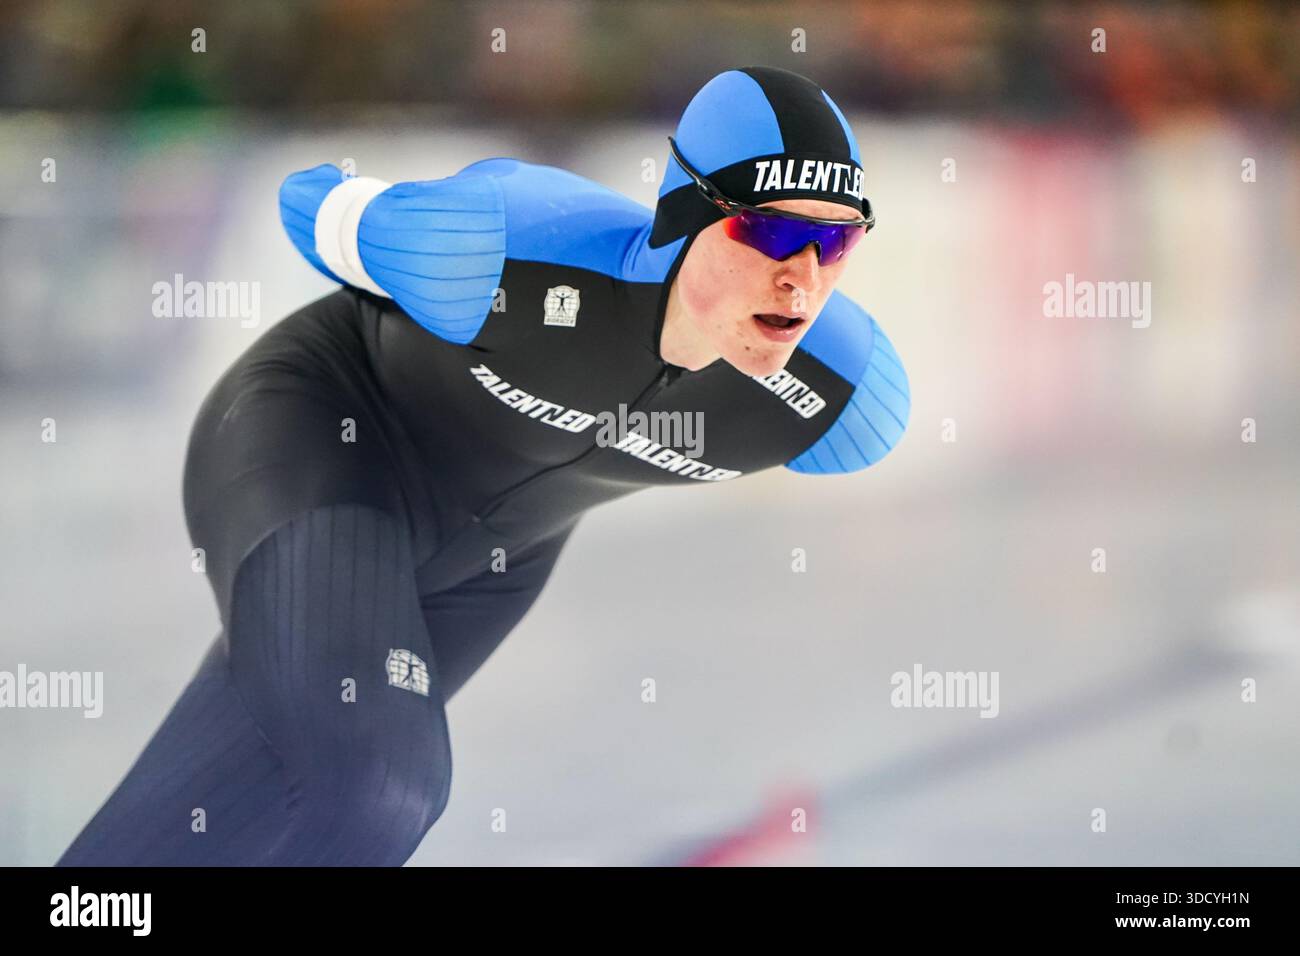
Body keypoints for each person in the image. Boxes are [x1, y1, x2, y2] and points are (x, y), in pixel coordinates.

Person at [56, 65, 909, 866]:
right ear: (687, 209)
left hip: (493, 561)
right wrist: (404, 258)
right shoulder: (502, 252)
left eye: (835, 244)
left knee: (236, 796)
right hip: (320, 443)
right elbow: (307, 200)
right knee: (377, 787)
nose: (801, 280)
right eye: (770, 229)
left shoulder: (843, 400)